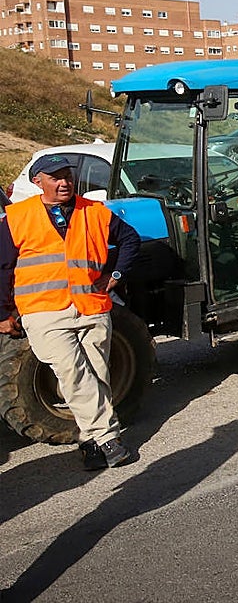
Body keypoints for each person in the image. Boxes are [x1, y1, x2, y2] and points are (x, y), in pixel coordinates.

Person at [0, 154, 141, 470]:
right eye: (55, 177)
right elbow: (2, 267)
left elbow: (130, 240)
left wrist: (114, 276)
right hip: (44, 312)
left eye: (66, 175)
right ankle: (108, 438)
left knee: (97, 375)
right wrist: (3, 313)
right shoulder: (17, 217)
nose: (64, 182)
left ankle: (89, 444)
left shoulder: (94, 211)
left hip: (91, 307)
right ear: (38, 182)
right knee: (72, 374)